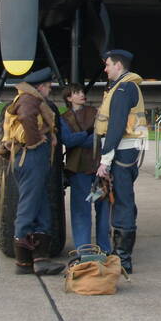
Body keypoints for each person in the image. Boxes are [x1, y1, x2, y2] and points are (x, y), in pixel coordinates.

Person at [95, 50, 148, 274]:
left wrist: (105, 161)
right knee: (123, 200)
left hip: (122, 153)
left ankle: (123, 259)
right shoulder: (123, 87)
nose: (105, 69)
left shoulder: (124, 89)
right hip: (129, 152)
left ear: (118, 65)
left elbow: (116, 126)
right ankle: (120, 254)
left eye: (107, 65)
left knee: (123, 201)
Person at [3, 67, 58, 274]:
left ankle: (40, 260)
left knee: (40, 207)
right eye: (49, 86)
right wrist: (35, 141)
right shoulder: (29, 99)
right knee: (28, 207)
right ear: (41, 87)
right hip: (31, 158)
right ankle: (23, 262)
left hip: (33, 160)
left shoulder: (27, 97)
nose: (50, 90)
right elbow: (26, 117)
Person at [57, 86, 110, 254]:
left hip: (98, 168)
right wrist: (87, 135)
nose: (82, 95)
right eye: (76, 93)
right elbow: (67, 140)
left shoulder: (95, 112)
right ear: (69, 98)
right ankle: (84, 251)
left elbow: (100, 136)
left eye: (82, 92)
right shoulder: (63, 118)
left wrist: (82, 138)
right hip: (79, 169)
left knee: (103, 210)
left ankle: (104, 249)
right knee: (81, 211)